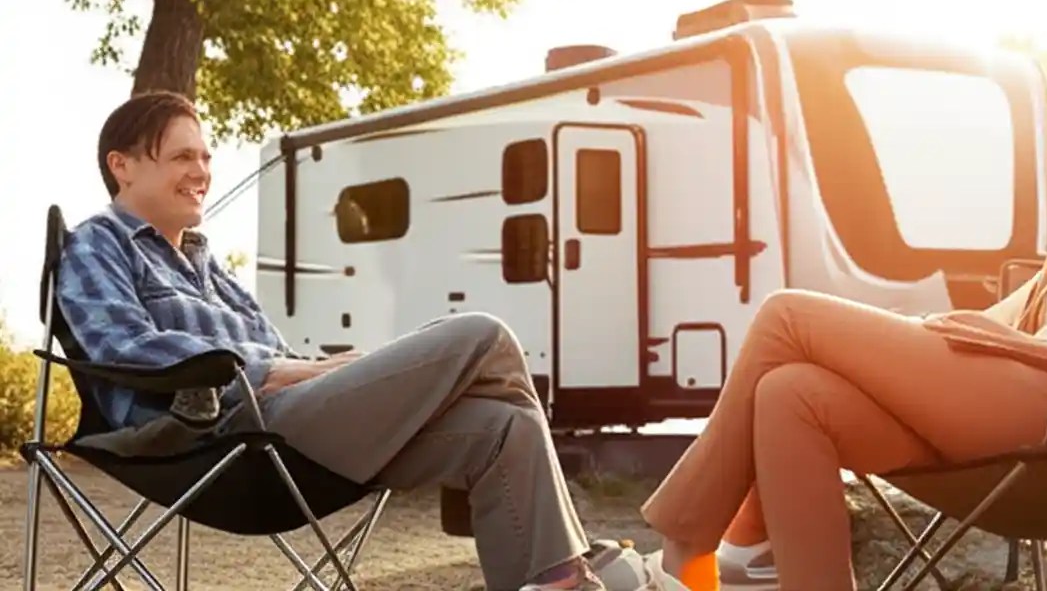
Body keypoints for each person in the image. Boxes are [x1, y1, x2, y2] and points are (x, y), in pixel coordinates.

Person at [632, 60, 1047, 590]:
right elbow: (995, 324)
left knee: (786, 315)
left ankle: (691, 551)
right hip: (1002, 391)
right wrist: (887, 343)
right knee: (792, 392)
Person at [55, 90, 646, 591]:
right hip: (215, 440)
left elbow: (278, 350)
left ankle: (558, 577)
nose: (203, 171)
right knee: (483, 334)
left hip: (285, 430)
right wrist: (281, 372)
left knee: (502, 427)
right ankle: (579, 561)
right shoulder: (96, 245)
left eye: (206, 156)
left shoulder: (205, 261)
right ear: (122, 165)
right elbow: (121, 349)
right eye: (183, 156)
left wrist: (310, 370)